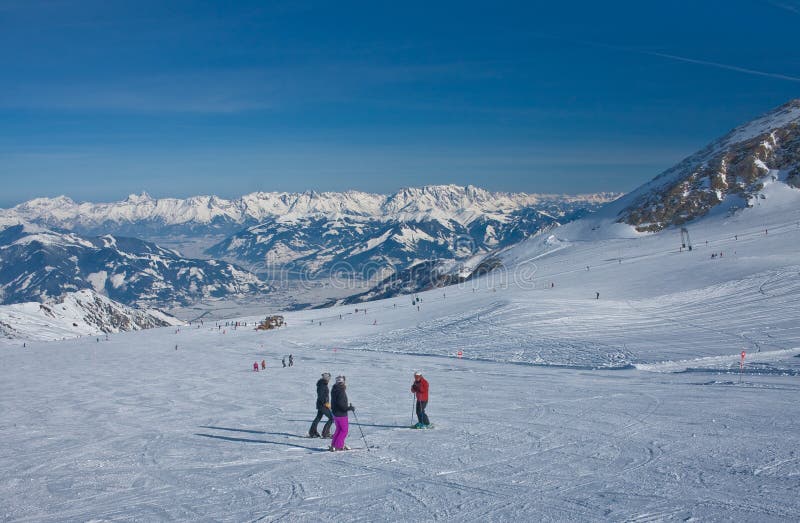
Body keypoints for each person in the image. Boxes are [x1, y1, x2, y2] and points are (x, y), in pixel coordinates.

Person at [330, 375, 355, 451]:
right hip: (341, 414)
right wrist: (349, 408)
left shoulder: (334, 389)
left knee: (339, 429)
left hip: (335, 413)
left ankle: (334, 445)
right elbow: (341, 404)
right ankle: (338, 446)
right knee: (344, 430)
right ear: (342, 382)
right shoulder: (341, 391)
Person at [309, 373, 333, 438]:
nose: (329, 380)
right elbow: (321, 396)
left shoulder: (322, 384)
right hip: (322, 405)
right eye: (328, 378)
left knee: (318, 417)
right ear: (326, 378)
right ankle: (325, 433)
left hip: (321, 404)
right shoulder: (322, 385)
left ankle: (312, 432)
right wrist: (325, 403)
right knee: (332, 418)